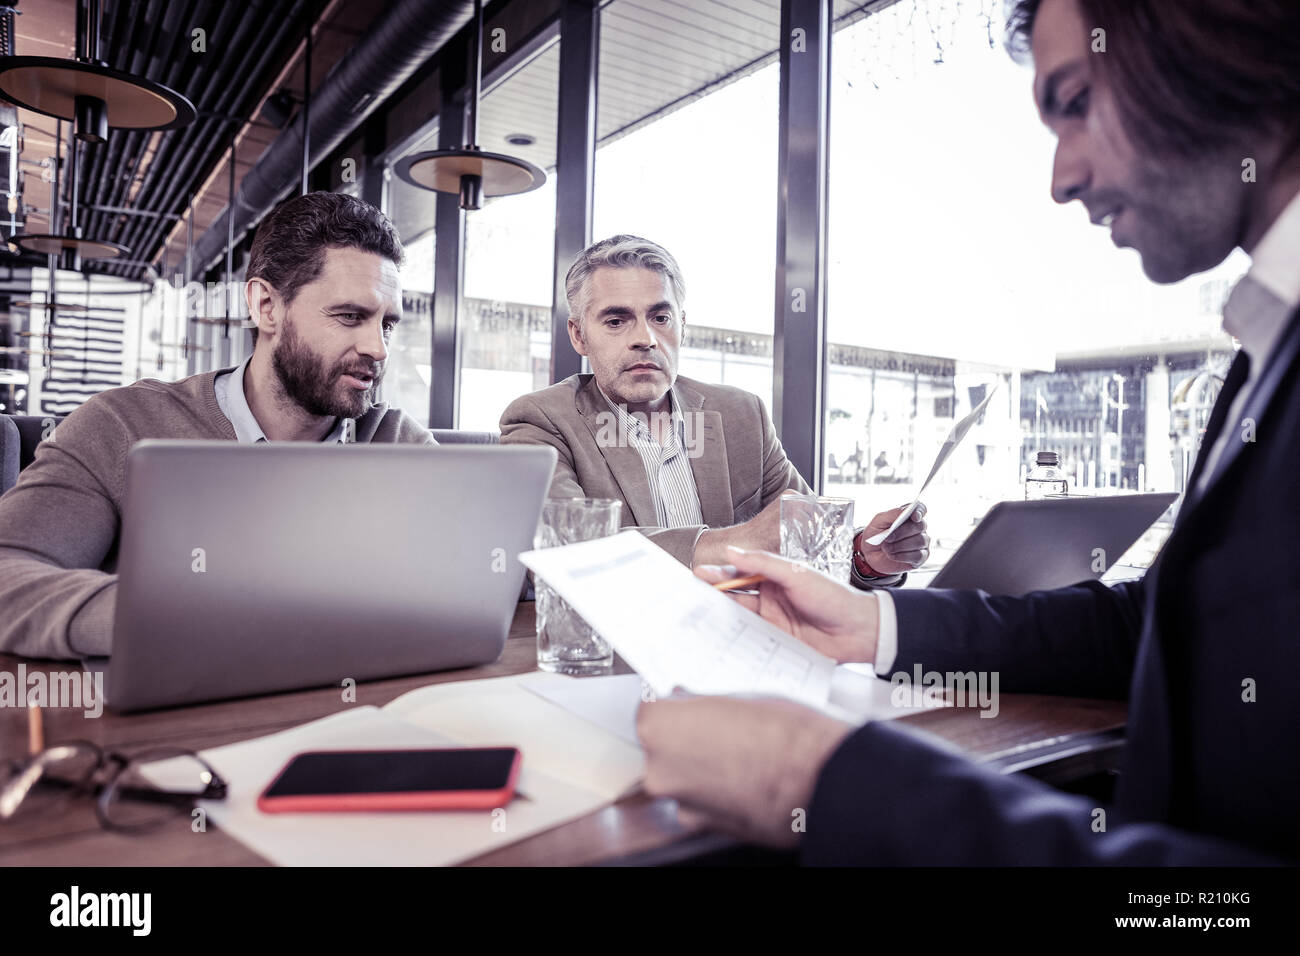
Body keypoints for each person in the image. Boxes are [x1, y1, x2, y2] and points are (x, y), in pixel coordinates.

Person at [637, 0, 1300, 864]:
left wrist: (826, 782)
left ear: (1220, 40)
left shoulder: (738, 415)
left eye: (1077, 101)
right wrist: (877, 626)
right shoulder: (1265, 352)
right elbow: (1151, 623)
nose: (1061, 178)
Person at [0, 192, 434, 659]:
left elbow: (478, 575)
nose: (378, 348)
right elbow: (8, 574)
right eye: (350, 316)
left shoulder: (400, 443)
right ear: (266, 306)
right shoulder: (123, 425)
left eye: (388, 325)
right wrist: (181, 616)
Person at [500, 235, 929, 587]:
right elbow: (566, 552)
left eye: (661, 318)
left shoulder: (742, 415)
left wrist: (866, 557)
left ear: (682, 326)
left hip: (743, 639)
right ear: (579, 335)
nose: (645, 338)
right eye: (616, 321)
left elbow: (809, 542)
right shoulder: (541, 419)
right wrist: (737, 543)